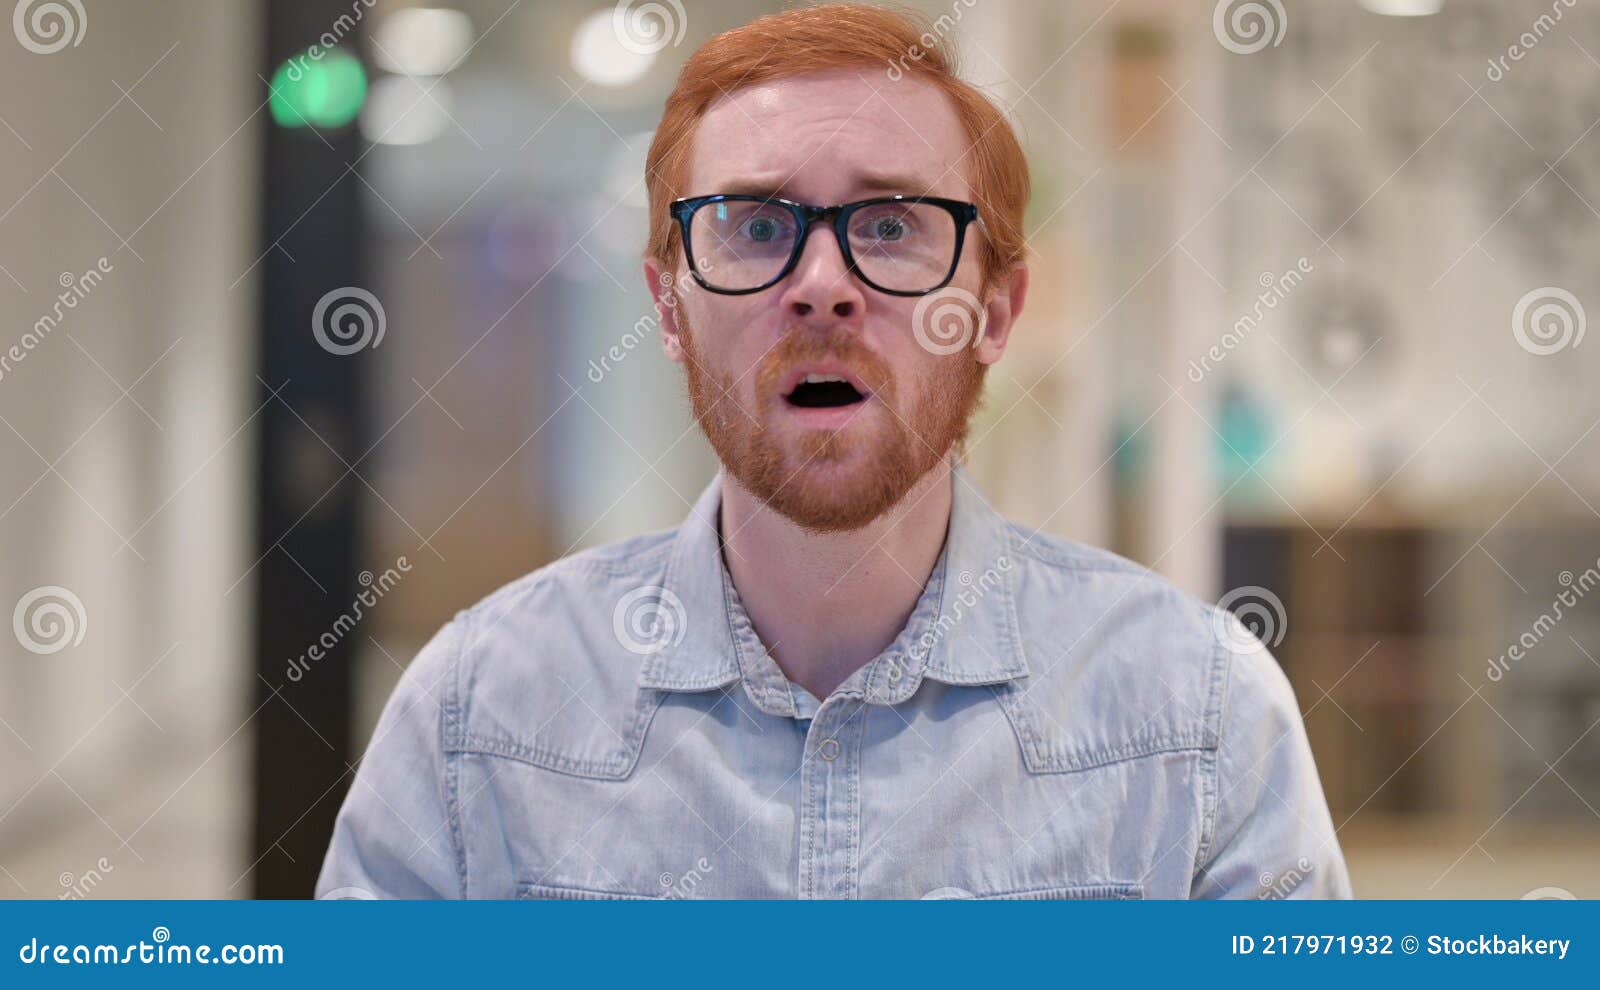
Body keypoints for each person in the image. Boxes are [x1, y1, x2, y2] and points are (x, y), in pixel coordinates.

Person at [316, 3, 1351, 900]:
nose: (821, 282)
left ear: (993, 311)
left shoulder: (1198, 712)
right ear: (668, 310)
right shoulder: (479, 711)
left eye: (892, 224)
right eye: (756, 227)